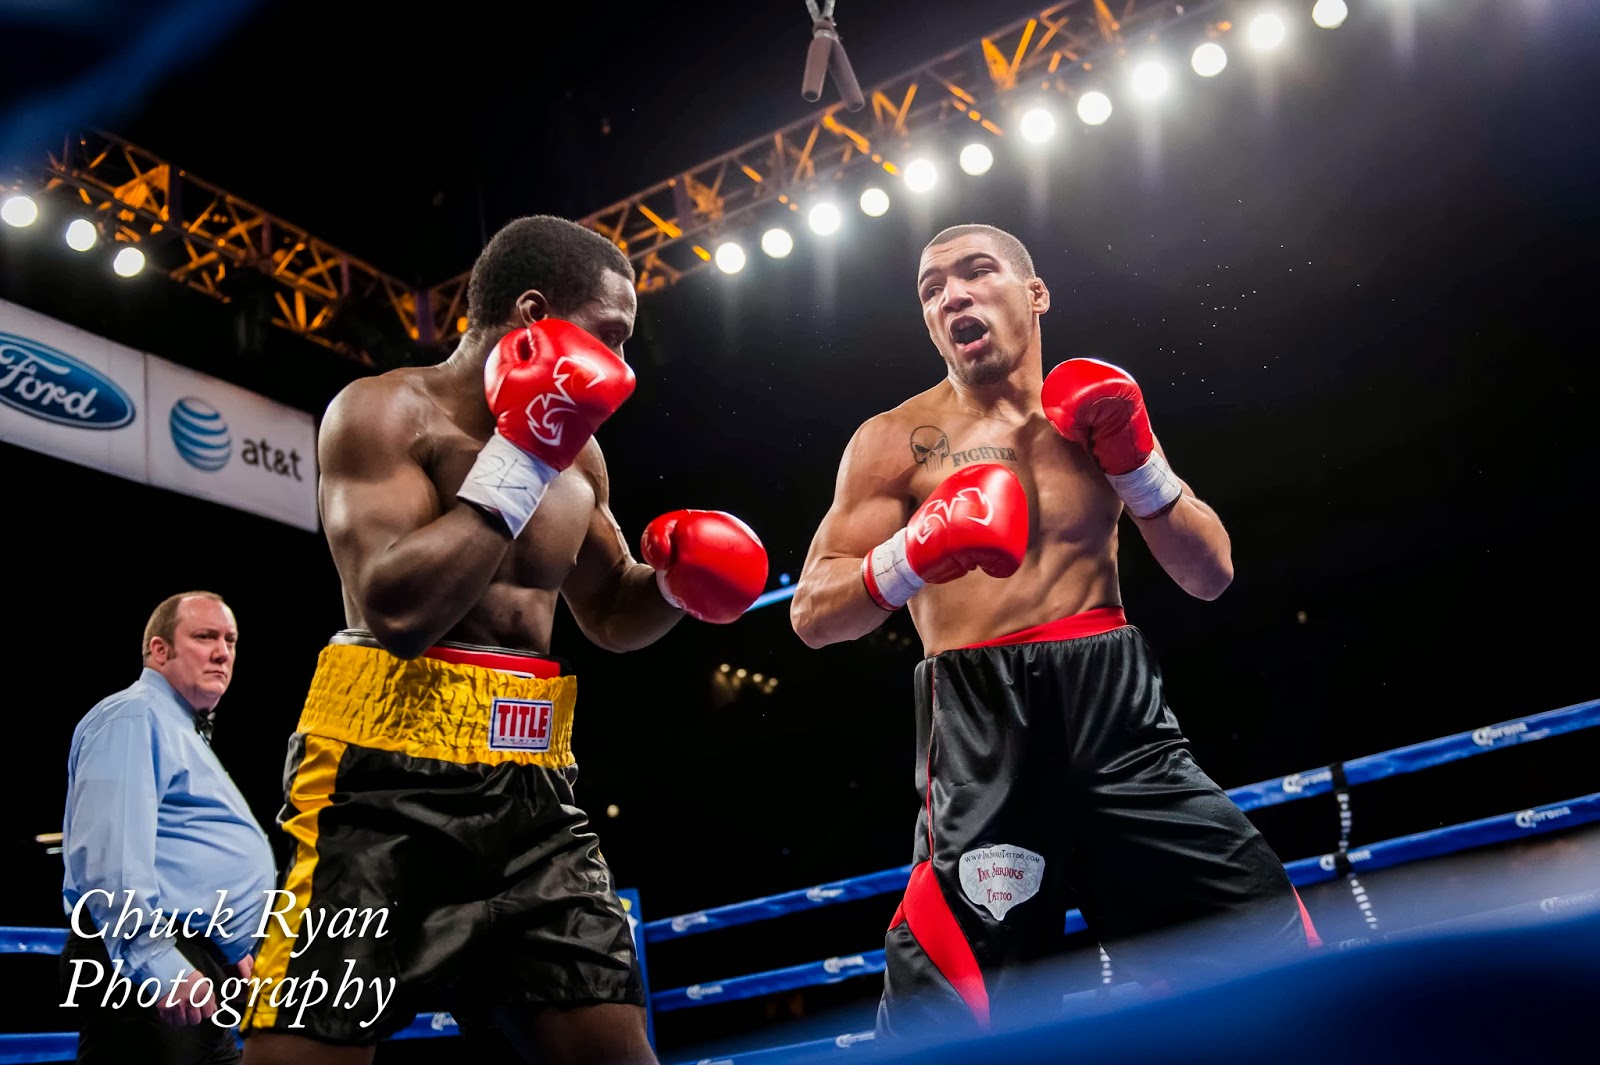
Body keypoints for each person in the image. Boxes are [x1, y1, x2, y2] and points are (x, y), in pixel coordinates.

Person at [239, 215, 768, 1065]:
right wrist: (522, 452)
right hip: (375, 783)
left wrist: (679, 584)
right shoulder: (382, 413)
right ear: (533, 314)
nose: (623, 368)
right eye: (610, 336)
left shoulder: (581, 458)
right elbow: (398, 611)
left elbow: (609, 613)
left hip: (532, 789)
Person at [789, 223, 1319, 1037]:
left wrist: (1138, 465)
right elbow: (812, 615)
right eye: (931, 289)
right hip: (980, 729)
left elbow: (1210, 574)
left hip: (1118, 716)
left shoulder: (1094, 410)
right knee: (947, 1010)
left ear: (1034, 294)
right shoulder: (892, 441)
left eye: (975, 273)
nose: (951, 295)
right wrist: (911, 553)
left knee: (1266, 942)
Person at [61, 591, 272, 1065]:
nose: (223, 651)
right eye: (205, 636)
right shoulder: (133, 716)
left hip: (194, 957)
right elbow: (109, 856)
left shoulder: (179, 729)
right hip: (146, 960)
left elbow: (181, 855)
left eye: (231, 640)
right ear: (159, 650)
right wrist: (156, 962)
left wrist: (235, 943)